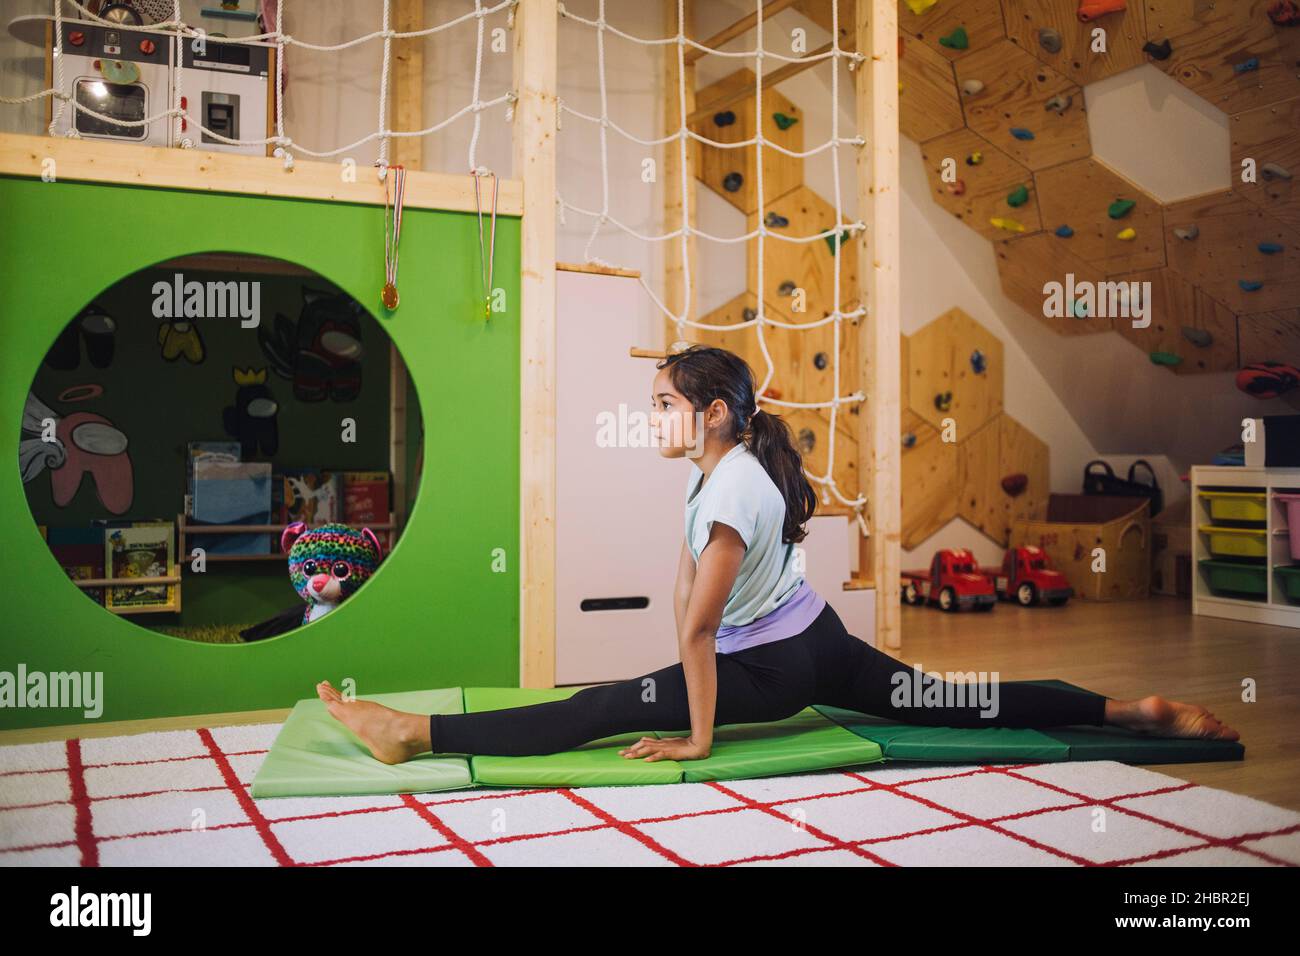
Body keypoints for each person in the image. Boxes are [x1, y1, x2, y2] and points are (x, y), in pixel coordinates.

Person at [316, 345, 1239, 764]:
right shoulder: (734, 465)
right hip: (819, 641)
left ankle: (413, 736)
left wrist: (701, 734)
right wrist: (683, 631)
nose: (653, 416)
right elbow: (691, 584)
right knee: (955, 701)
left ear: (712, 412)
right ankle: (1134, 709)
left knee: (595, 706)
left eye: (665, 403)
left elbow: (704, 624)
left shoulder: (731, 486)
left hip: (775, 665)